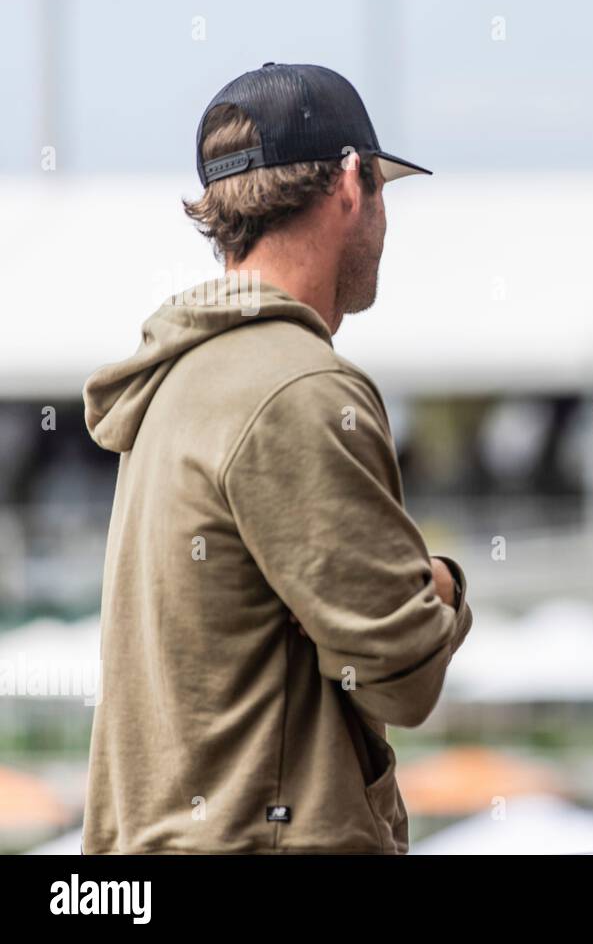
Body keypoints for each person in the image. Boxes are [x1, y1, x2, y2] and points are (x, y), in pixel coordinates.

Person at [81, 63, 471, 853]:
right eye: (385, 190)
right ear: (353, 183)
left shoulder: (175, 378)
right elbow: (403, 674)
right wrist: (445, 582)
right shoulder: (298, 386)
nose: (385, 219)